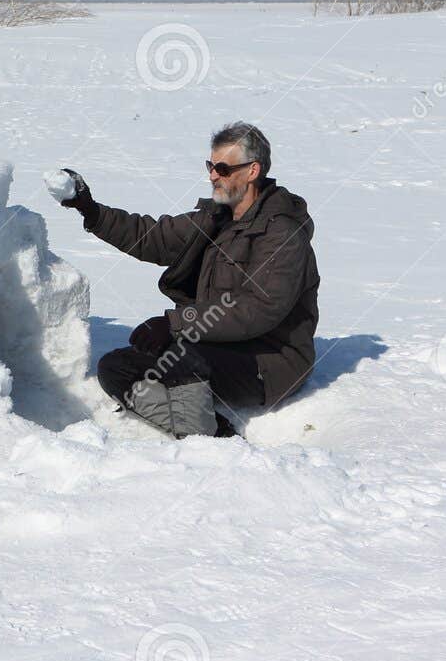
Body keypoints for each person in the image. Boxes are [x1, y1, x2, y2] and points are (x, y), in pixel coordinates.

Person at [56, 121, 319, 438]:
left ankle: (203, 438)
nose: (212, 176)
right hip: (214, 347)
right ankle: (204, 425)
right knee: (115, 368)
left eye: (222, 168)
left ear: (253, 171)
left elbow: (258, 309)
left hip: (267, 361)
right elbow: (154, 238)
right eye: (211, 166)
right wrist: (92, 212)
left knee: (181, 356)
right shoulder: (217, 217)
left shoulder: (282, 234)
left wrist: (176, 324)